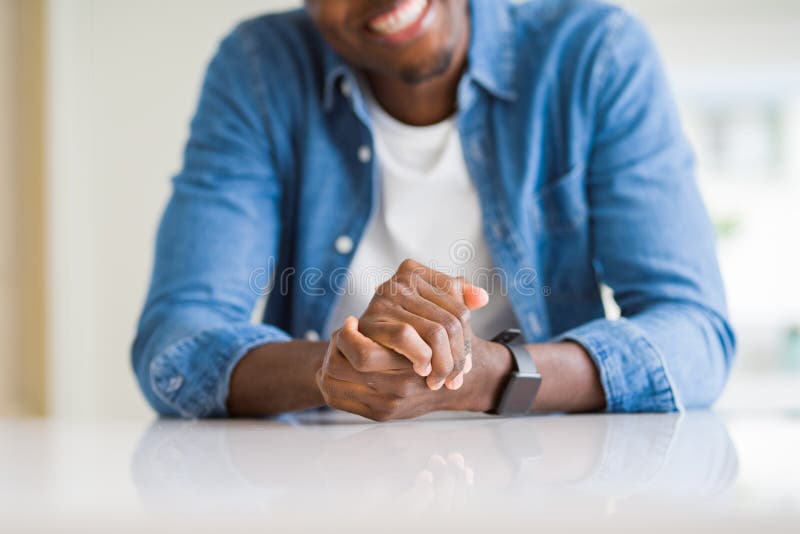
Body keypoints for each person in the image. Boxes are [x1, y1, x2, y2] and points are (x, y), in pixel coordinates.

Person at [132, 0, 735, 420]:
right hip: (312, 486)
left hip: (551, 486)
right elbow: (178, 344)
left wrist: (489, 377)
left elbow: (694, 334)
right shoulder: (260, 68)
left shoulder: (595, 55)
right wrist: (335, 371)